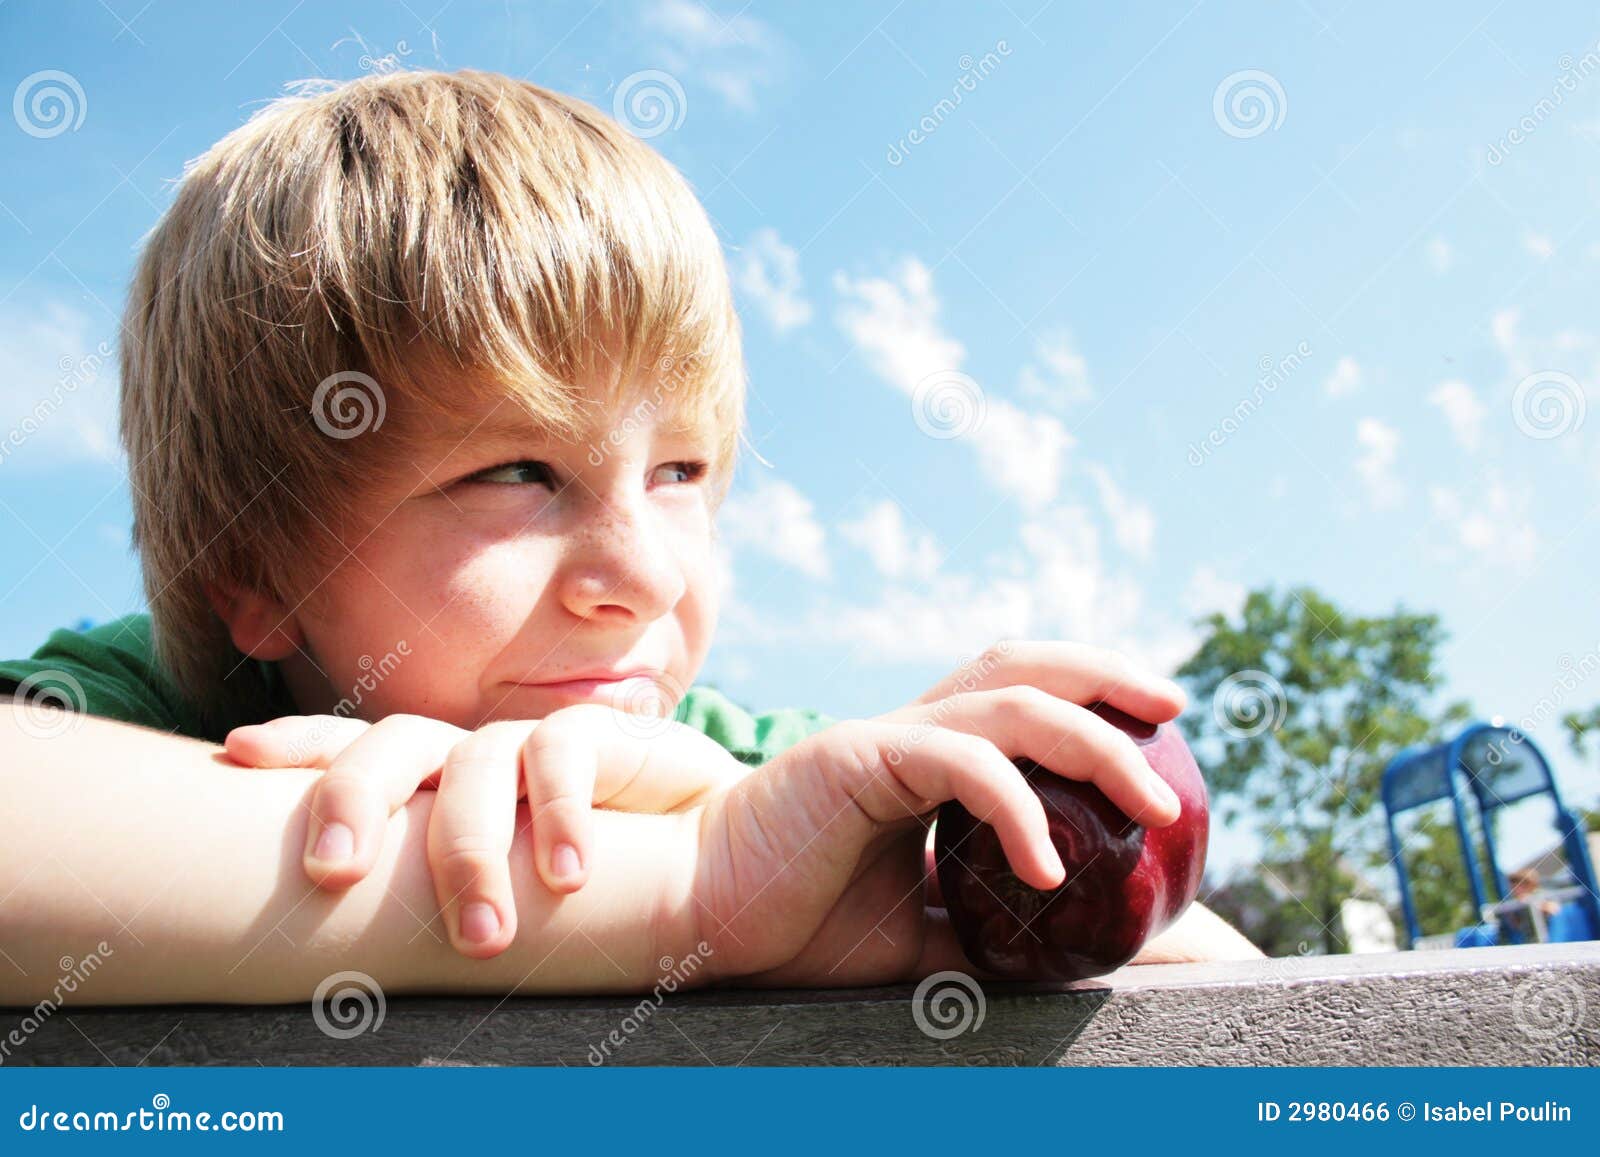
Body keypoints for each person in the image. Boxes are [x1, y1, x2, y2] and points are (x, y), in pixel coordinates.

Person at [0, 69, 1260, 1006]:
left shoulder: (745, 765)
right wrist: (685, 887)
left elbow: (1232, 1000)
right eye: (516, 470)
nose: (649, 574)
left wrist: (1026, 899)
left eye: (681, 471)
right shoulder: (135, 709)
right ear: (260, 581)